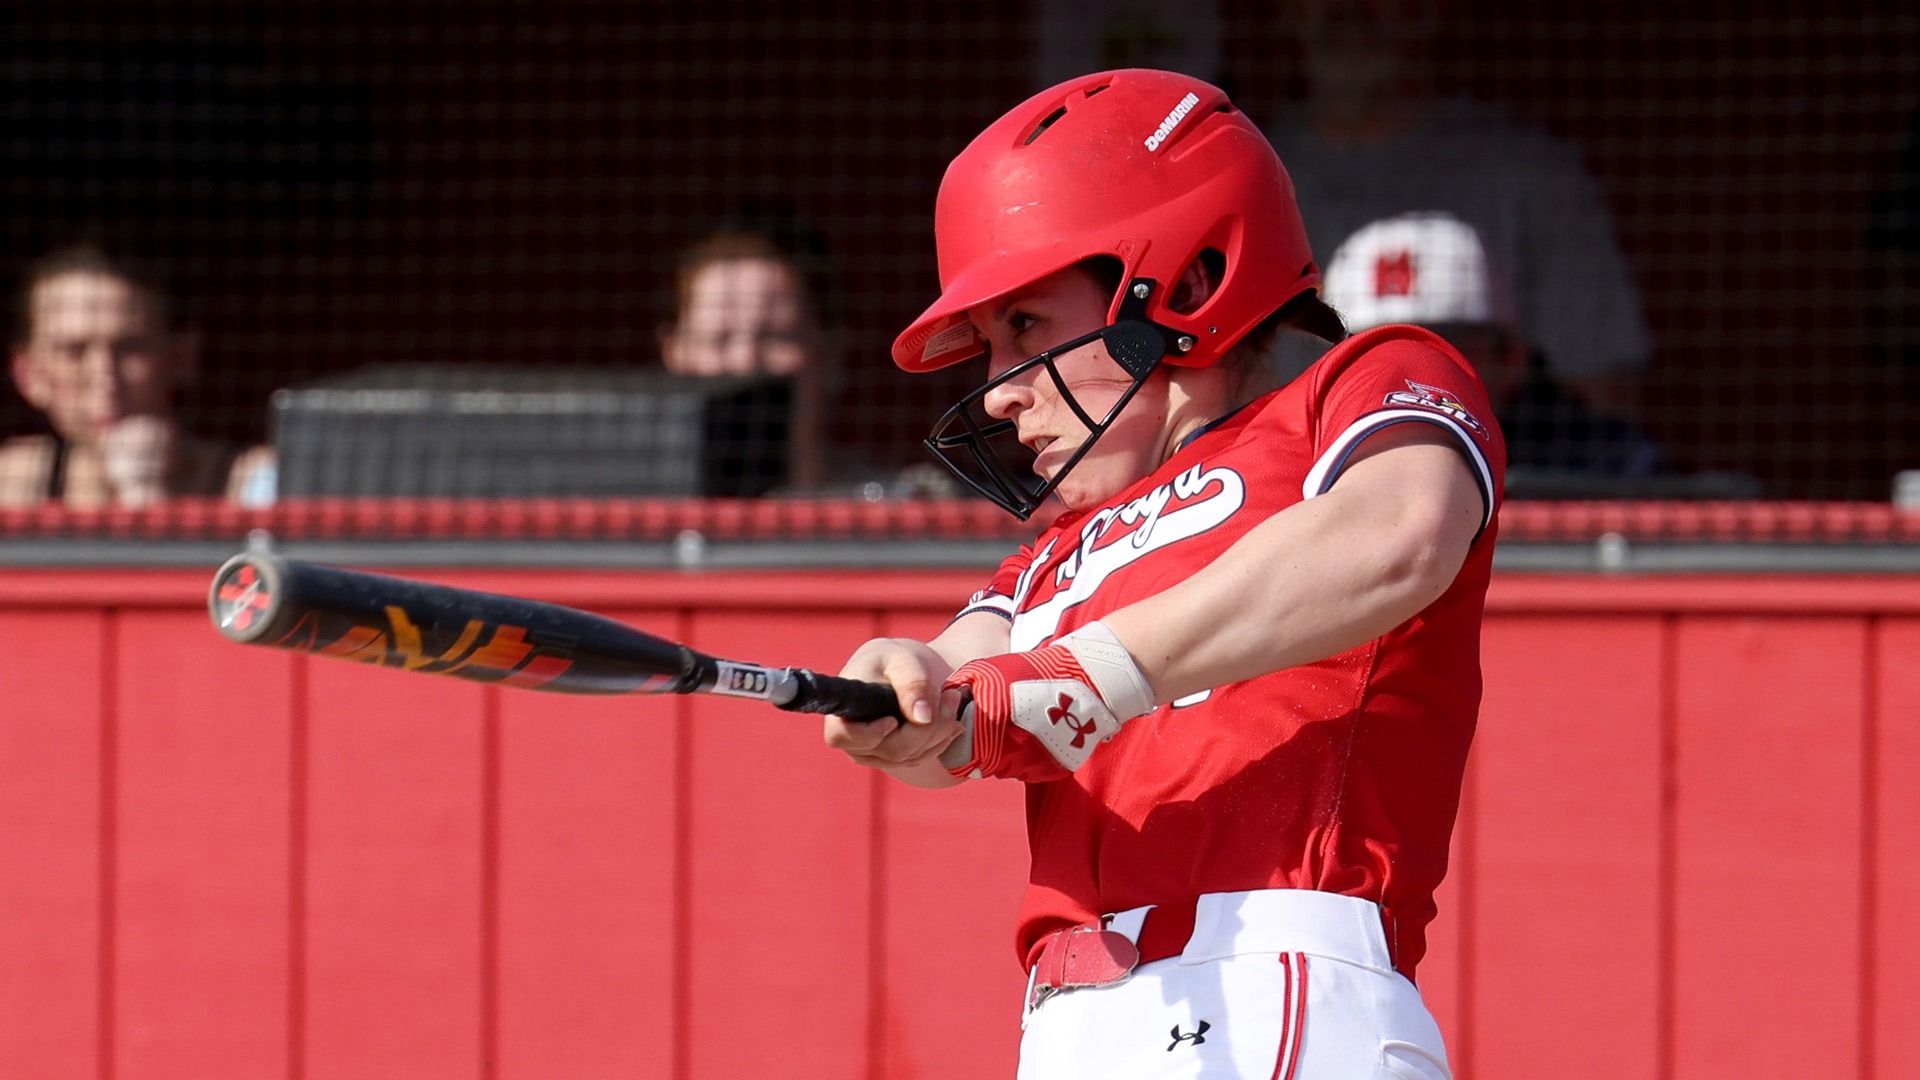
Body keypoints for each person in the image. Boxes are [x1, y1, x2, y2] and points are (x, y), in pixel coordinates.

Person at [823, 69, 1503, 1078]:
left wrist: (1093, 673)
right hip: (1074, 1020)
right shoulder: (1056, 546)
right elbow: (956, 690)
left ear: (1184, 284)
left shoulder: (1361, 386)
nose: (999, 395)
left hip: (1274, 974)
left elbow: (1402, 532)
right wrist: (901, 685)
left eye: (1025, 328)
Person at [1265, 0, 1653, 421]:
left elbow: (1603, 396)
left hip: (1489, 473)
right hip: (1285, 473)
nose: (1349, 9)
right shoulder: (1244, 176)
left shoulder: (1524, 174)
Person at [1321, 210, 1666, 482]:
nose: (1404, 373)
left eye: (1436, 351)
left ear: (1511, 359)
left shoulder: (1606, 463)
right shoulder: (1306, 456)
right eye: (1372, 353)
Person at [1, 244, 272, 509]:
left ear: (180, 358)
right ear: (29, 374)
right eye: (74, 352)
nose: (105, 377)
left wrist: (145, 493)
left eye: (130, 349)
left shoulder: (257, 483)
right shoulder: (12, 485)